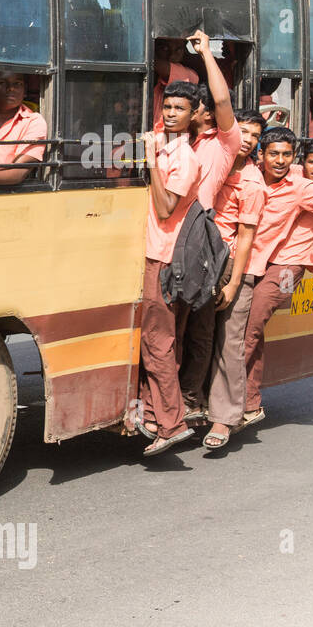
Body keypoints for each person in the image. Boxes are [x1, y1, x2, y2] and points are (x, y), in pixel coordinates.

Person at [241, 127, 313, 430]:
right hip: (265, 261)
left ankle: (225, 397)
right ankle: (249, 402)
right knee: (251, 329)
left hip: (289, 270)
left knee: (251, 325)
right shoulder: (293, 174)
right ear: (302, 162)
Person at [178, 31, 241, 418]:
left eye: (194, 106)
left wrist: (204, 54)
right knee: (174, 328)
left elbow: (221, 98)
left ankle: (189, 400)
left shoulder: (223, 143)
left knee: (199, 330)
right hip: (172, 236)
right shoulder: (178, 141)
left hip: (202, 239)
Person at [136, 81, 202, 455]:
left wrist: (151, 162)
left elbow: (165, 209)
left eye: (180, 108)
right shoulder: (166, 143)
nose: (172, 113)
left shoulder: (185, 158)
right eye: (169, 107)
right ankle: (151, 416)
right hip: (159, 254)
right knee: (159, 341)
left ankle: (172, 424)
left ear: (194, 115)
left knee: (158, 344)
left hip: (164, 258)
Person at [201, 111, 268, 450]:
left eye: (255, 135)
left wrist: (232, 284)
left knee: (229, 342)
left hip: (236, 266)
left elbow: (245, 238)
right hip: (204, 261)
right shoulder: (214, 163)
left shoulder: (252, 182)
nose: (248, 139)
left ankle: (223, 420)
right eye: (243, 131)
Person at [152, 37, 199, 133]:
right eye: (165, 49)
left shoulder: (189, 75)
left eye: (178, 50)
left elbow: (156, 63)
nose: (171, 55)